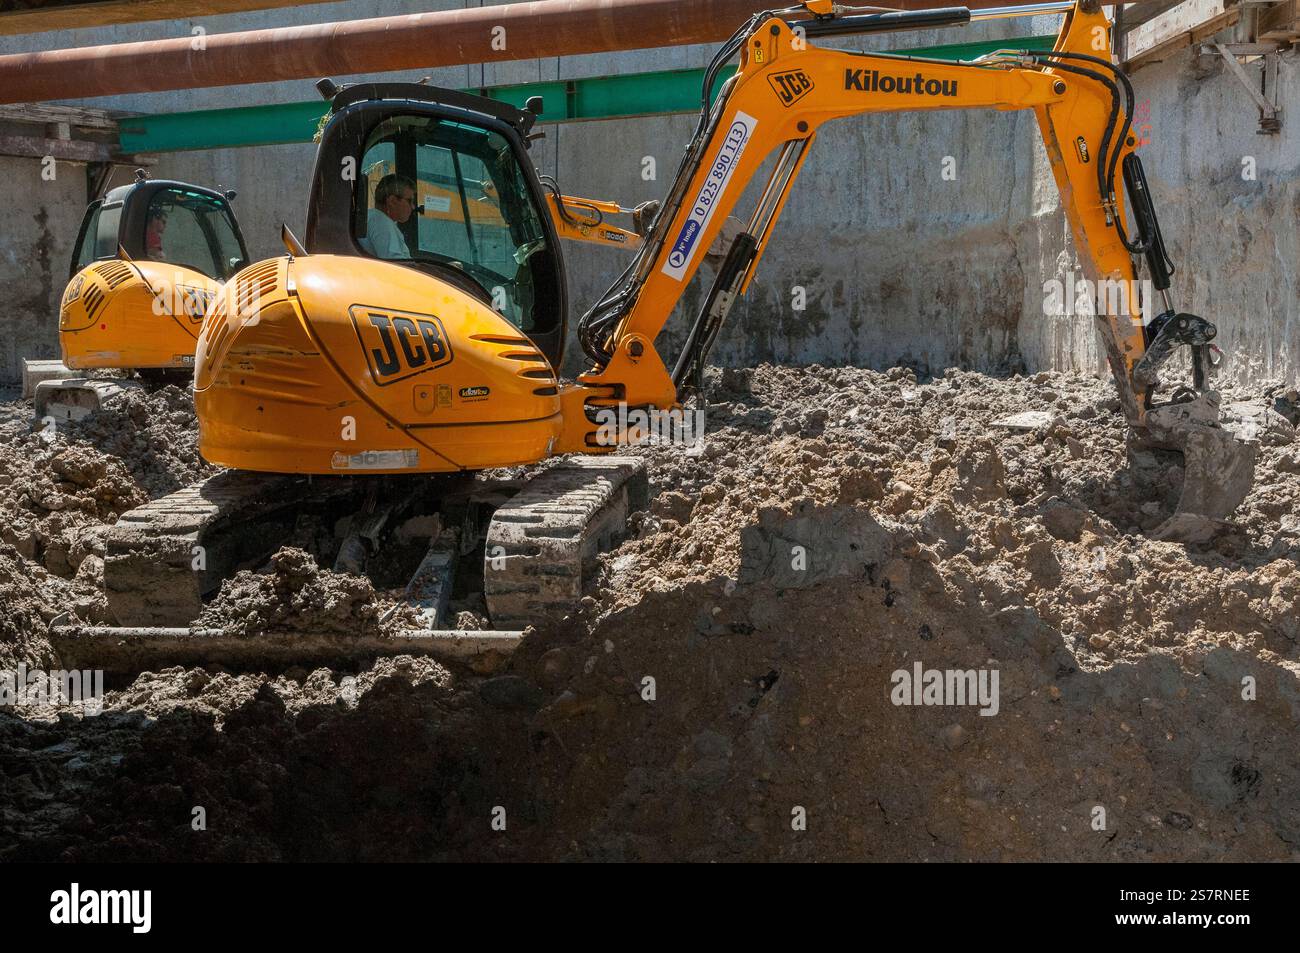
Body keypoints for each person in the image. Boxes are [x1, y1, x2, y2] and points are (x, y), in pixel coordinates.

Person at [361, 174, 416, 259]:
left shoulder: (371, 218)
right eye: (410, 201)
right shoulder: (381, 222)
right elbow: (396, 265)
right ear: (392, 201)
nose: (413, 207)